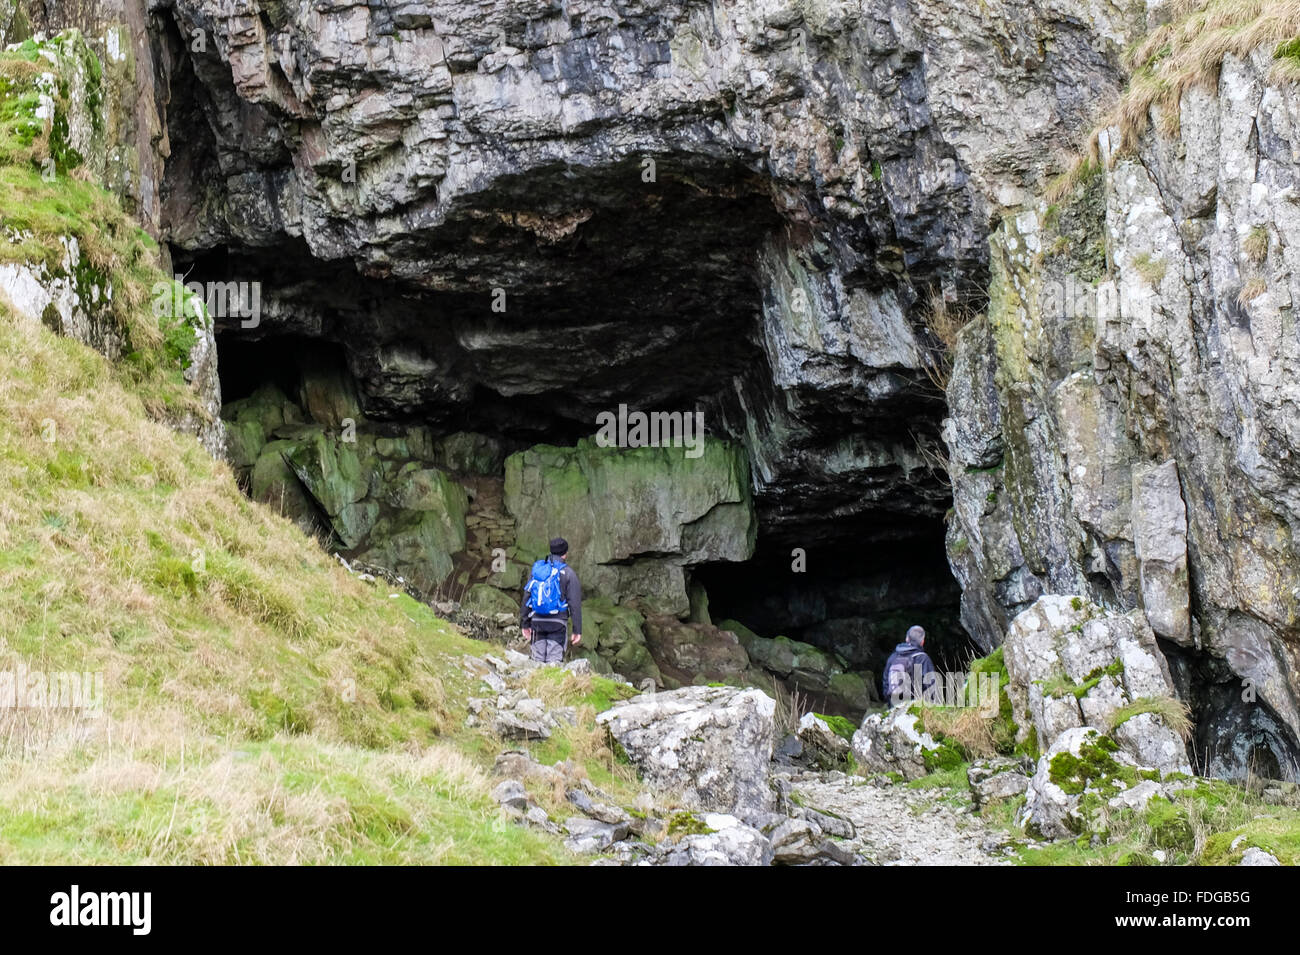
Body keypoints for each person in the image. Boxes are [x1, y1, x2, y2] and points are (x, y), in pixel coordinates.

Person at [520, 537, 583, 664]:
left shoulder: (538, 571)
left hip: (537, 621)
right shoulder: (568, 573)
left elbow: (527, 597)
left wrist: (525, 623)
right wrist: (577, 630)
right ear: (565, 554)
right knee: (553, 664)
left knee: (536, 662)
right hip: (557, 623)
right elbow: (574, 604)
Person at [882, 625, 935, 704]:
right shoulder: (922, 658)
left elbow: (885, 682)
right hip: (914, 705)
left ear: (907, 638)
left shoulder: (893, 657)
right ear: (922, 641)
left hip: (894, 704)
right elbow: (930, 685)